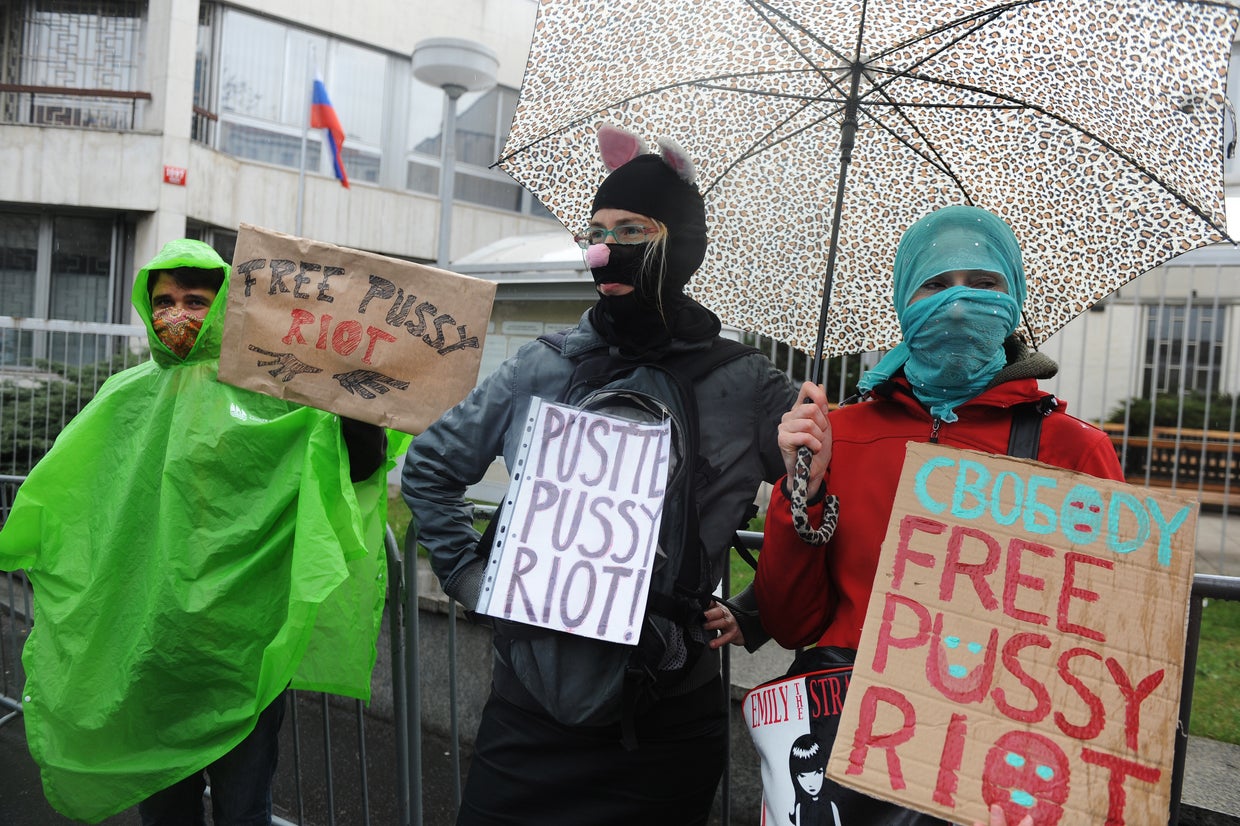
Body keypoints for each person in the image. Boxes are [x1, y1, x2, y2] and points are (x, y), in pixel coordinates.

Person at [402, 124, 796, 825]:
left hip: (665, 727)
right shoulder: (543, 364)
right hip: (530, 716)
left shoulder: (747, 385)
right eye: (596, 228)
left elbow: (820, 502)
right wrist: (471, 579)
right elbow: (430, 466)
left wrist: (756, 611)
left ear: (683, 242)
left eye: (631, 229)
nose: (601, 247)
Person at [753, 205, 1125, 825]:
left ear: (1016, 298)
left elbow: (1105, 649)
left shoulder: (1075, 450)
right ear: (903, 300)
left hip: (997, 767)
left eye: (983, 285)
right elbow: (792, 624)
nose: (958, 304)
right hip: (845, 755)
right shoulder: (834, 437)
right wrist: (804, 491)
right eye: (935, 285)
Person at [0, 239, 389, 825]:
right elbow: (66, 495)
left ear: (227, 304)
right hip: (152, 650)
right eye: (163, 300)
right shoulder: (123, 398)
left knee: (242, 810)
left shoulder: (274, 392)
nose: (174, 314)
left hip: (241, 650)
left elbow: (354, 465)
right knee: (165, 810)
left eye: (195, 299)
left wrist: (352, 400)